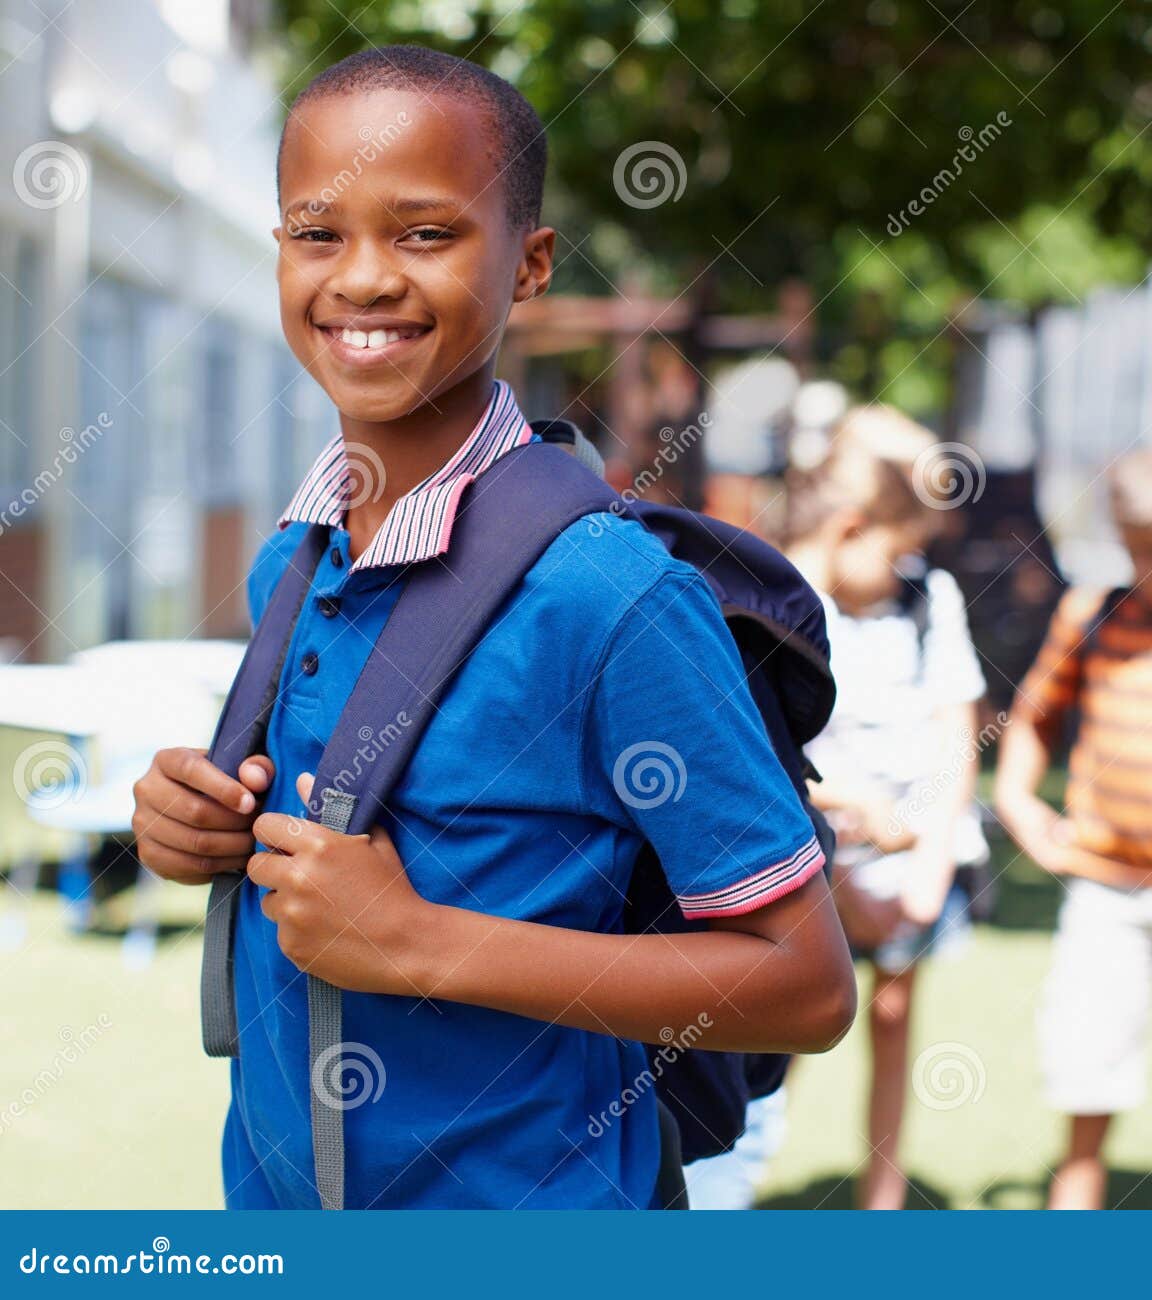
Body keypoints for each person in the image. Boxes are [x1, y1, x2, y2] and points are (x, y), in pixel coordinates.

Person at [129, 45, 855, 1211]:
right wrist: (198, 831)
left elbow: (805, 986)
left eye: (425, 233)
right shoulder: (293, 560)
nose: (362, 278)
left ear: (528, 267)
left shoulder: (605, 596)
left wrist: (418, 944)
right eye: (318, 233)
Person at [994, 450, 1152, 1210]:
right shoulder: (1093, 613)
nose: (1144, 561)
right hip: (1102, 886)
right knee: (1085, 1067)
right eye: (1132, 544)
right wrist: (1016, 800)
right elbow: (1034, 716)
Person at [784, 434, 988, 1210]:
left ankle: (883, 1199)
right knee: (789, 1023)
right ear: (848, 529)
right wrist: (839, 840)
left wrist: (932, 870)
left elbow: (955, 734)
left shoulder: (929, 598)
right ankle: (738, 1174)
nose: (901, 566)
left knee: (896, 1017)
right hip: (811, 860)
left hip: (907, 866)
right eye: (892, 547)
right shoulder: (790, 602)